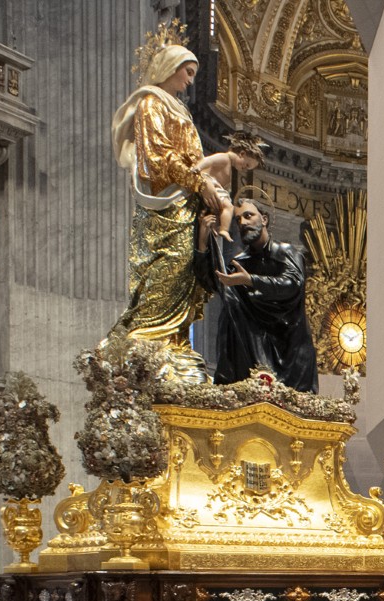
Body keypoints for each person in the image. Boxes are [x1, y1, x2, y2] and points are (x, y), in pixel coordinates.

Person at [109, 43, 211, 375]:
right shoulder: (151, 103)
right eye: (188, 72)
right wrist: (198, 182)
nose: (190, 81)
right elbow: (158, 156)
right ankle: (148, 342)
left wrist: (203, 183)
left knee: (185, 270)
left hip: (187, 202)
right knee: (169, 264)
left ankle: (176, 343)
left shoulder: (180, 110)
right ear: (170, 67)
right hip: (165, 203)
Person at [195, 198, 320, 391]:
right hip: (254, 344)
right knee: (231, 304)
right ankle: (235, 383)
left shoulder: (285, 251)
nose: (243, 223)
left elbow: (293, 284)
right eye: (238, 220)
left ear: (264, 219)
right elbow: (215, 283)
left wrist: (250, 280)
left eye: (248, 216)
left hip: (289, 345)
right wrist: (203, 242)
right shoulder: (240, 262)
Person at [190, 132, 267, 274]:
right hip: (207, 183)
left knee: (226, 208)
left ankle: (220, 228)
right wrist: (197, 169)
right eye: (246, 165)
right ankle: (223, 230)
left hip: (215, 191)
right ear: (242, 154)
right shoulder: (224, 158)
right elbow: (207, 161)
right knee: (229, 207)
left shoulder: (230, 170)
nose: (245, 169)